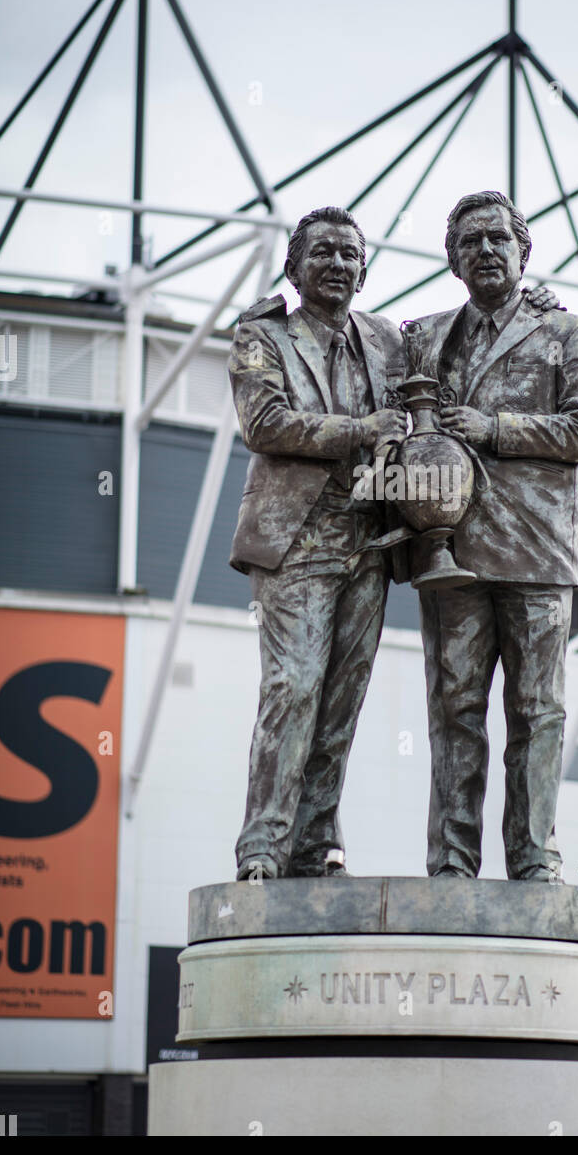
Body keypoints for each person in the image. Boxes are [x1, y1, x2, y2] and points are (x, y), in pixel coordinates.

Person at [401, 190, 578, 882]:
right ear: (453, 260)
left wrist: (496, 429)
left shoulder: (566, 331)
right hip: (450, 556)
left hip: (537, 553)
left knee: (537, 713)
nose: (485, 250)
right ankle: (452, 864)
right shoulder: (424, 336)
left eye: (498, 238)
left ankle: (534, 859)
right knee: (453, 712)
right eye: (470, 241)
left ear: (525, 250)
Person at [228, 206, 406, 880]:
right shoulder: (260, 333)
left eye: (349, 255)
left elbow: (456, 342)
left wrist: (535, 298)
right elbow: (266, 423)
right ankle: (262, 848)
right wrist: (361, 430)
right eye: (323, 252)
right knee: (293, 686)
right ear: (293, 266)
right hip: (296, 540)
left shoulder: (388, 339)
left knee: (340, 701)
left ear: (365, 272)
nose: (337, 264)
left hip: (369, 539)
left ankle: (314, 843)